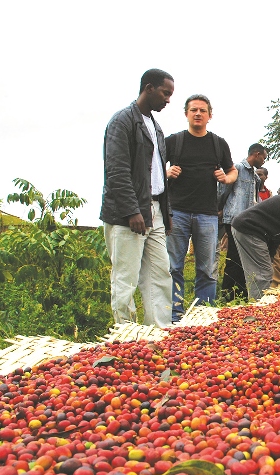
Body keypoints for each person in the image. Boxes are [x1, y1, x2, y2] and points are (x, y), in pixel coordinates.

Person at [101, 69, 174, 327]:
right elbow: (117, 171)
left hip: (153, 209)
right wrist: (133, 211)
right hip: (127, 212)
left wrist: (165, 214)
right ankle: (126, 333)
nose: (168, 100)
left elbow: (156, 175)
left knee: (160, 273)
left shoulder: (155, 127)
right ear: (149, 88)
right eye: (165, 93)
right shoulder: (123, 121)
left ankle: (159, 330)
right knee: (126, 275)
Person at [164, 94, 234, 322]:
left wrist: (225, 178)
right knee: (173, 266)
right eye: (193, 110)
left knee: (207, 268)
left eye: (202, 111)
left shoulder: (218, 143)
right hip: (177, 212)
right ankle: (174, 315)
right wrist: (166, 173)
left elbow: (233, 171)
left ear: (209, 115)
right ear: (186, 114)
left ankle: (203, 315)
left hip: (207, 214)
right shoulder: (174, 141)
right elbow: (152, 166)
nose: (198, 114)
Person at [219, 143, 268, 300]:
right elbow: (224, 189)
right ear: (256, 154)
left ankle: (240, 293)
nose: (264, 161)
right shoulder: (238, 168)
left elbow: (254, 200)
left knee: (242, 257)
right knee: (233, 256)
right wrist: (219, 209)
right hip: (233, 217)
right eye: (264, 158)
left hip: (246, 221)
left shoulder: (254, 176)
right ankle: (228, 294)